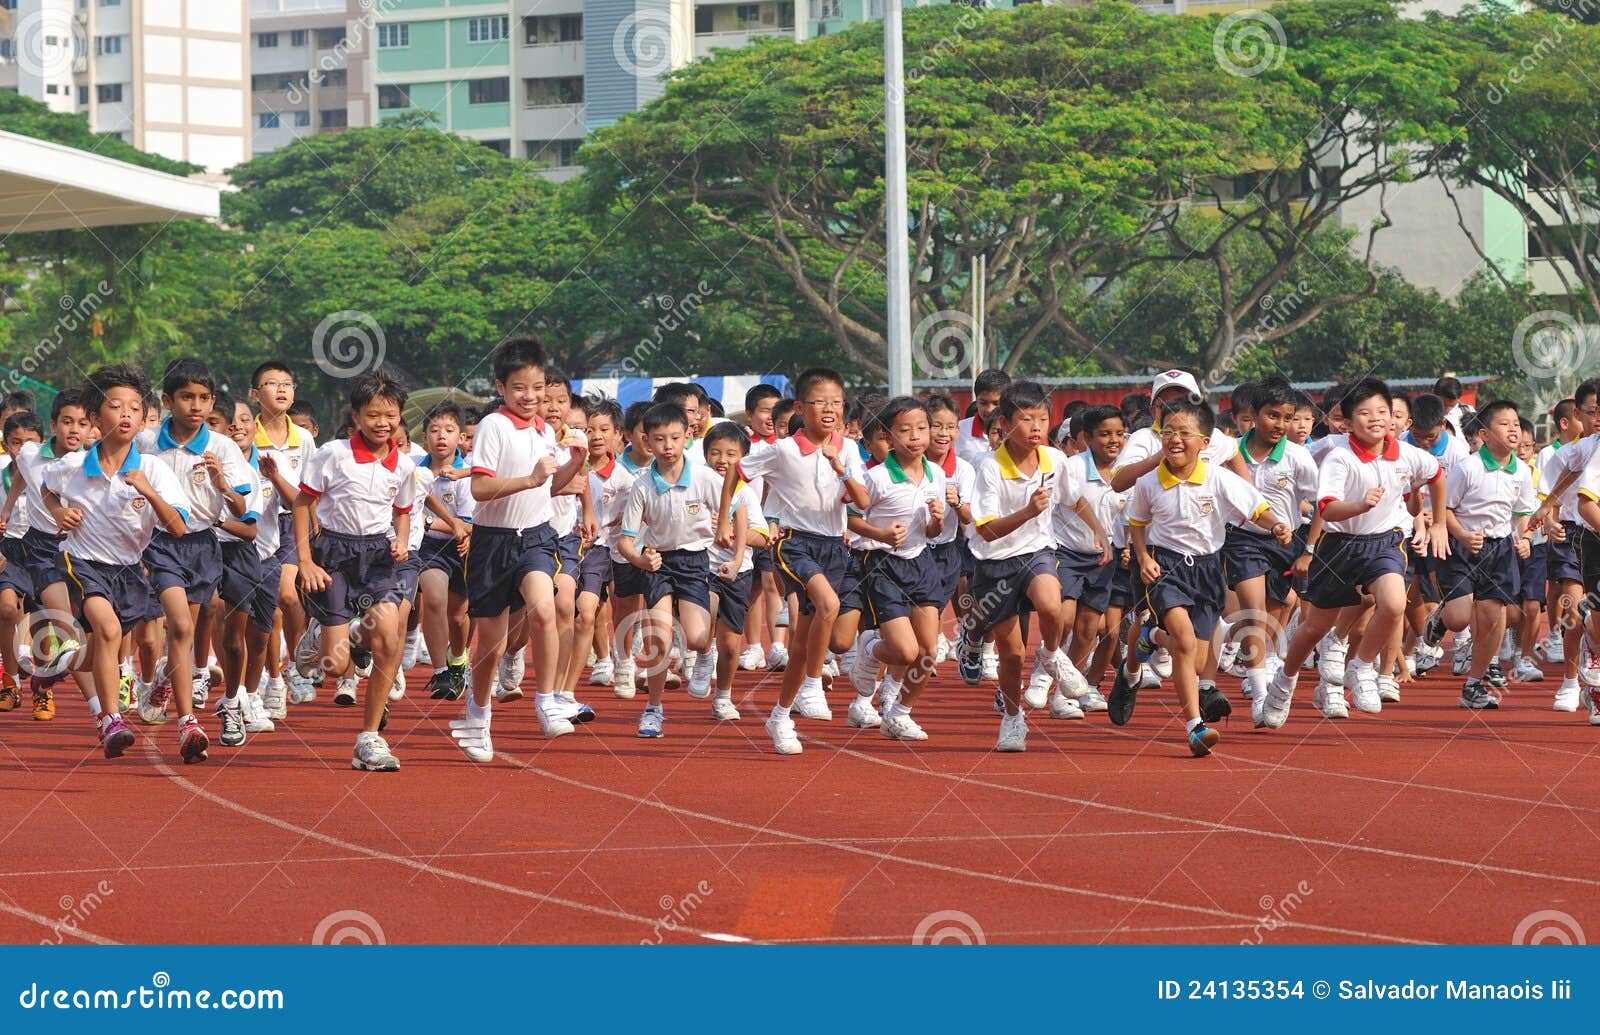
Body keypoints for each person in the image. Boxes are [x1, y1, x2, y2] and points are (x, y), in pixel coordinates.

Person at [1261, 377, 1449, 726]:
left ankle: (1362, 667)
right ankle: (1283, 682)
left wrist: (1438, 523)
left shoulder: (1407, 454)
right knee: (1314, 626)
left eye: (1382, 411)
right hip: (1339, 546)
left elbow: (1436, 476)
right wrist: (1360, 506)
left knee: (1393, 603)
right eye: (1364, 413)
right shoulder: (1339, 458)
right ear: (1348, 422)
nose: (1376, 418)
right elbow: (1327, 509)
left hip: (1384, 542)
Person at [1118, 397, 1292, 755]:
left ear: (1205, 442)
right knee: (1183, 637)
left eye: (1185, 433)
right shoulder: (1150, 482)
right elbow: (1136, 522)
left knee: (1194, 658)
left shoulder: (1218, 478)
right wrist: (1141, 557)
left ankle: (1150, 635)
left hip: (1209, 569)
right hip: (1166, 567)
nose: (1175, 440)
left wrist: (1276, 525)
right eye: (1168, 432)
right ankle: (1195, 726)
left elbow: (1256, 508)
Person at [42, 365, 194, 760]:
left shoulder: (154, 469)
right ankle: (111, 720)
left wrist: (148, 491)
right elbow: (46, 489)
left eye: (134, 408)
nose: (126, 414)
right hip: (82, 563)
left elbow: (177, 527)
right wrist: (59, 514)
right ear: (96, 418)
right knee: (107, 630)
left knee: (108, 644)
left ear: (143, 419)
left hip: (130, 570)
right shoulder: (73, 466)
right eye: (115, 406)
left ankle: (57, 662)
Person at [719, 366, 869, 756]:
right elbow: (736, 471)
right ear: (802, 407)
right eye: (820, 402)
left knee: (803, 644)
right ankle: (813, 686)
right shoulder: (783, 449)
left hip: (835, 547)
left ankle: (780, 715)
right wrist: (722, 519)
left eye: (836, 402)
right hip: (794, 544)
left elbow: (863, 502)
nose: (829, 409)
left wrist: (841, 468)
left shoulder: (848, 448)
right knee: (829, 605)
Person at [451, 337, 588, 763]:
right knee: (489, 645)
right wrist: (530, 479)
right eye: (520, 389)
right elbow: (479, 487)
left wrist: (576, 461)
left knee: (545, 608)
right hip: (493, 542)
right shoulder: (494, 426)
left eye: (538, 387)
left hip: (535, 536)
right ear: (501, 387)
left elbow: (549, 488)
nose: (531, 397)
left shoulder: (547, 430)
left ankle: (546, 698)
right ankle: (477, 712)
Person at [967, 380, 1107, 752]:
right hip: (994, 562)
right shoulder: (989, 467)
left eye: (1042, 419)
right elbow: (988, 530)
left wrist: (1100, 532)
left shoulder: (1054, 459)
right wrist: (1028, 510)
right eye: (1026, 420)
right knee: (1011, 655)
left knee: (1051, 604)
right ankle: (1013, 719)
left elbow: (1073, 499)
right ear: (1007, 423)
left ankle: (1049, 654)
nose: (1035, 428)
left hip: (1037, 551)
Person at [294, 369, 418, 771]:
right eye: (373, 415)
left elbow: (402, 511)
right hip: (333, 554)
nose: (382, 423)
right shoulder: (333, 453)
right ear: (356, 416)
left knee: (387, 636)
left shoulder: (404, 466)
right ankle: (321, 637)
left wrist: (400, 542)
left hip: (378, 557)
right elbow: (301, 504)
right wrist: (306, 561)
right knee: (336, 667)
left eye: (391, 415)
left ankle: (370, 738)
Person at [134, 358, 253, 727]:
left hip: (203, 545)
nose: (196, 406)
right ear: (168, 400)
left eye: (203, 398)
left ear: (212, 400)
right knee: (181, 627)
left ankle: (165, 684)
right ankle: (188, 722)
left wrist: (222, 484)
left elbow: (242, 506)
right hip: (160, 542)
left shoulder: (222, 446)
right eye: (187, 397)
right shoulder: (147, 441)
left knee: (186, 633)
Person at [617, 403, 732, 737]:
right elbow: (626, 541)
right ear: (647, 442)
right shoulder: (642, 487)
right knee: (660, 638)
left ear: (688, 437)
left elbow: (733, 501)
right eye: (659, 439)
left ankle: (705, 651)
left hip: (695, 562)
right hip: (658, 563)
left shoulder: (704, 476)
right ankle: (653, 709)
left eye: (674, 438)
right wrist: (640, 560)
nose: (667, 446)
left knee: (696, 638)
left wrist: (723, 523)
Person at [1222, 375, 1317, 718]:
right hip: (1242, 540)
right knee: (1253, 611)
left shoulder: (1297, 458)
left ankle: (1265, 675)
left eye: (1287, 417)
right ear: (1254, 413)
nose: (1280, 424)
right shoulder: (1228, 452)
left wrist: (1309, 550)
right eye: (1272, 415)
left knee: (1271, 620)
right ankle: (1260, 694)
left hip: (1286, 543)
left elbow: (1320, 504)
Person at [702, 422, 770, 722]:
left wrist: (732, 532)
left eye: (731, 454)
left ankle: (723, 696)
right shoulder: (697, 487)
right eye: (715, 453)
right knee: (703, 620)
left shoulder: (744, 494)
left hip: (737, 572)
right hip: (701, 568)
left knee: (730, 644)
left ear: (743, 458)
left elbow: (763, 536)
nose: (723, 460)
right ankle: (702, 656)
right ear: (704, 456)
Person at [416, 401, 474, 701]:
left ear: (460, 437)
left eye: (449, 430)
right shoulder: (415, 471)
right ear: (425, 437)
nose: (442, 436)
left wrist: (434, 522)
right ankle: (440, 672)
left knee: (459, 616)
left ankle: (458, 659)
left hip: (463, 550)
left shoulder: (467, 472)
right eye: (434, 430)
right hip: (429, 549)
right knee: (434, 599)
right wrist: (436, 525)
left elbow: (468, 525)